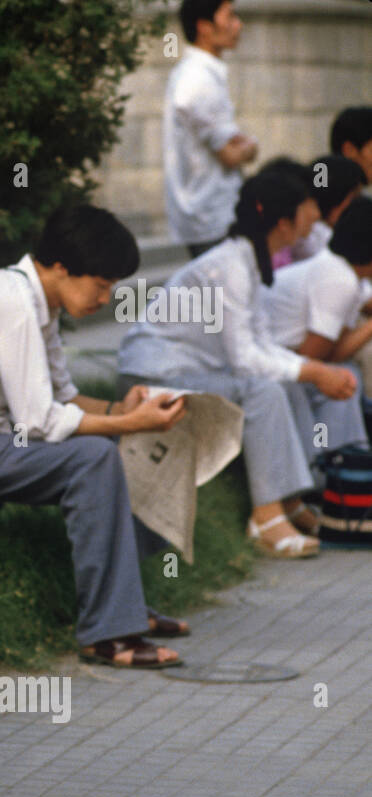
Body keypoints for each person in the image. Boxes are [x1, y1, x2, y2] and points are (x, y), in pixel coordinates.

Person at [0, 205, 190, 671]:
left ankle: (126, 607)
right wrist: (132, 423)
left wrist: (125, 411)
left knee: (112, 445)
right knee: (93, 457)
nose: (106, 297)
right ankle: (108, 633)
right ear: (60, 267)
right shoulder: (13, 304)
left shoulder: (39, 303)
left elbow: (68, 399)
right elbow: (40, 422)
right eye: (101, 283)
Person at [118, 171, 358, 558]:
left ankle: (291, 500)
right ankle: (265, 518)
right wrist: (314, 369)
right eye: (306, 209)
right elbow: (245, 361)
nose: (314, 216)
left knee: (287, 382)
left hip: (194, 370)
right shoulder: (229, 266)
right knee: (262, 390)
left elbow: (260, 344)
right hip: (154, 377)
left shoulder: (247, 259)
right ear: (283, 221)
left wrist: (309, 369)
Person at [261, 195, 372, 474]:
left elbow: (330, 349)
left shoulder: (341, 269)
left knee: (345, 374)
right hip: (267, 363)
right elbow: (315, 357)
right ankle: (336, 468)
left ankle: (339, 465)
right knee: (343, 378)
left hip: (280, 356)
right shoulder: (339, 280)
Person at [165, 0, 257, 259]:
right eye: (230, 17)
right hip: (211, 216)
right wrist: (251, 147)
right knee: (220, 297)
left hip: (212, 213)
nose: (238, 24)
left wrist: (240, 145)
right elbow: (230, 154)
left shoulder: (201, 74)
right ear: (204, 27)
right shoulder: (198, 79)